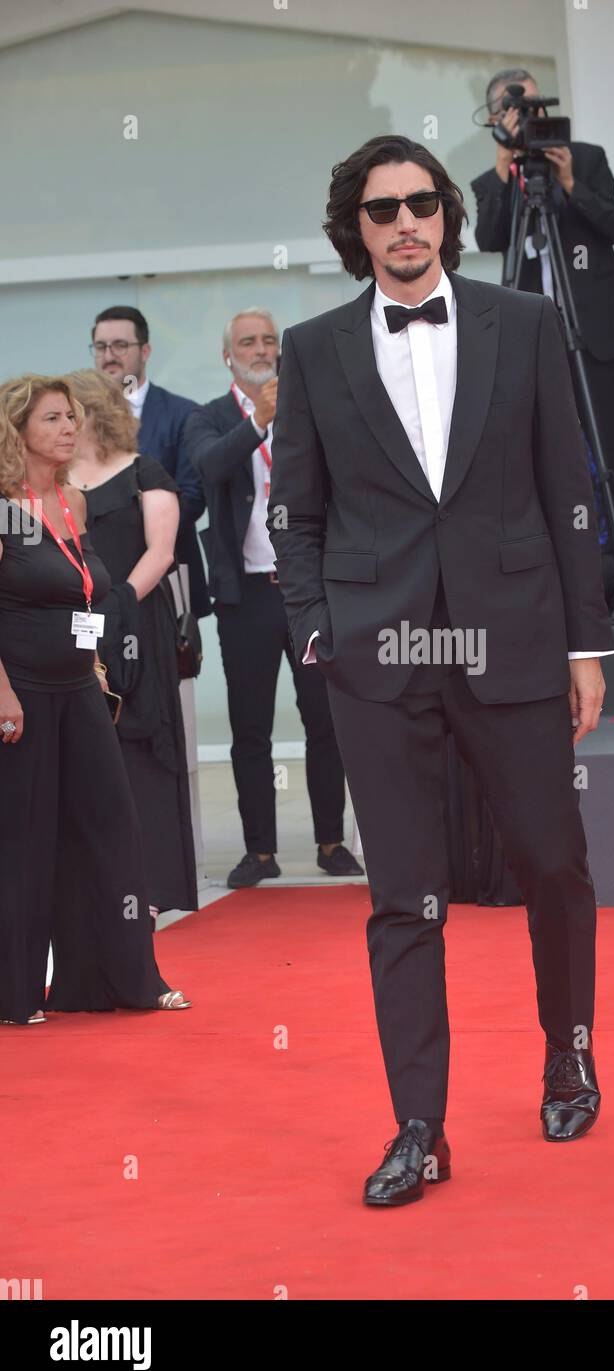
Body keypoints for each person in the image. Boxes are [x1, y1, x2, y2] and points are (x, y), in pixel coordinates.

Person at [267, 134, 614, 1206]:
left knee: (552, 863)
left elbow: (568, 486)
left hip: (510, 635)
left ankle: (569, 1045)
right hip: (380, 654)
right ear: (355, 229)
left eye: (423, 202)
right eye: (384, 209)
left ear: (447, 217)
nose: (407, 222)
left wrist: (585, 643)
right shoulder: (314, 348)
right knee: (403, 897)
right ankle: (420, 1123)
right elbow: (298, 513)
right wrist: (318, 630)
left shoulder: (524, 322)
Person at [0, 374, 191, 1024]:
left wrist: (101, 668)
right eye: (53, 418)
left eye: (71, 418)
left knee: (110, 825)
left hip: (82, 685)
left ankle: (117, 978)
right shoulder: (2, 507)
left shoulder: (73, 502)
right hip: (18, 692)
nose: (68, 428)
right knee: (26, 838)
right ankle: (16, 993)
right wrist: (2, 693)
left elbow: (86, 591)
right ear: (18, 429)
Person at [184, 308, 362, 887]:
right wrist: (258, 421)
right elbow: (209, 468)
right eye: (247, 342)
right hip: (247, 598)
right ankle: (259, 850)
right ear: (227, 355)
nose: (260, 349)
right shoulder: (208, 416)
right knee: (250, 728)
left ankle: (331, 841)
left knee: (325, 721)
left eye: (267, 340)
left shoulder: (308, 406)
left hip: (307, 591)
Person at [472, 67, 614, 621]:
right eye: (510, 107)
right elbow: (488, 238)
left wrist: (572, 182)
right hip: (531, 341)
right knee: (538, 463)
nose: (524, 116)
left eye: (529, 104)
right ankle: (558, 589)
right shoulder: (492, 179)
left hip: (594, 333)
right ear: (495, 118)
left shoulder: (586, 157)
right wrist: (505, 175)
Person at [64, 369, 198, 917]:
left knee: (142, 745)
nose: (60, 425)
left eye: (66, 413)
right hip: (72, 625)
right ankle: (91, 889)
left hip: (136, 622)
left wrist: (114, 605)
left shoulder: (145, 471)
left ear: (91, 412)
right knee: (88, 747)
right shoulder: (50, 480)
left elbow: (161, 552)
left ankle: (150, 888)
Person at [90, 306, 209, 619]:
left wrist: (132, 533)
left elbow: (193, 497)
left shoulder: (184, 414)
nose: (109, 355)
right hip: (98, 573)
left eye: (120, 345)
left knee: (174, 665)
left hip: (170, 572)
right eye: (101, 347)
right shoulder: (77, 419)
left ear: (145, 351)